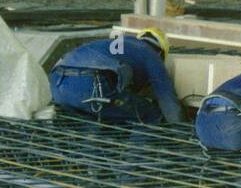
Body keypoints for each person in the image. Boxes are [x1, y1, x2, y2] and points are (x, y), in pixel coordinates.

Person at [49, 28, 183, 125]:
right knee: (149, 114)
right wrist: (179, 130)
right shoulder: (150, 54)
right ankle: (134, 162)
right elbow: (167, 99)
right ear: (160, 52)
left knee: (94, 119)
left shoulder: (119, 44)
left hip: (58, 85)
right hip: (89, 86)